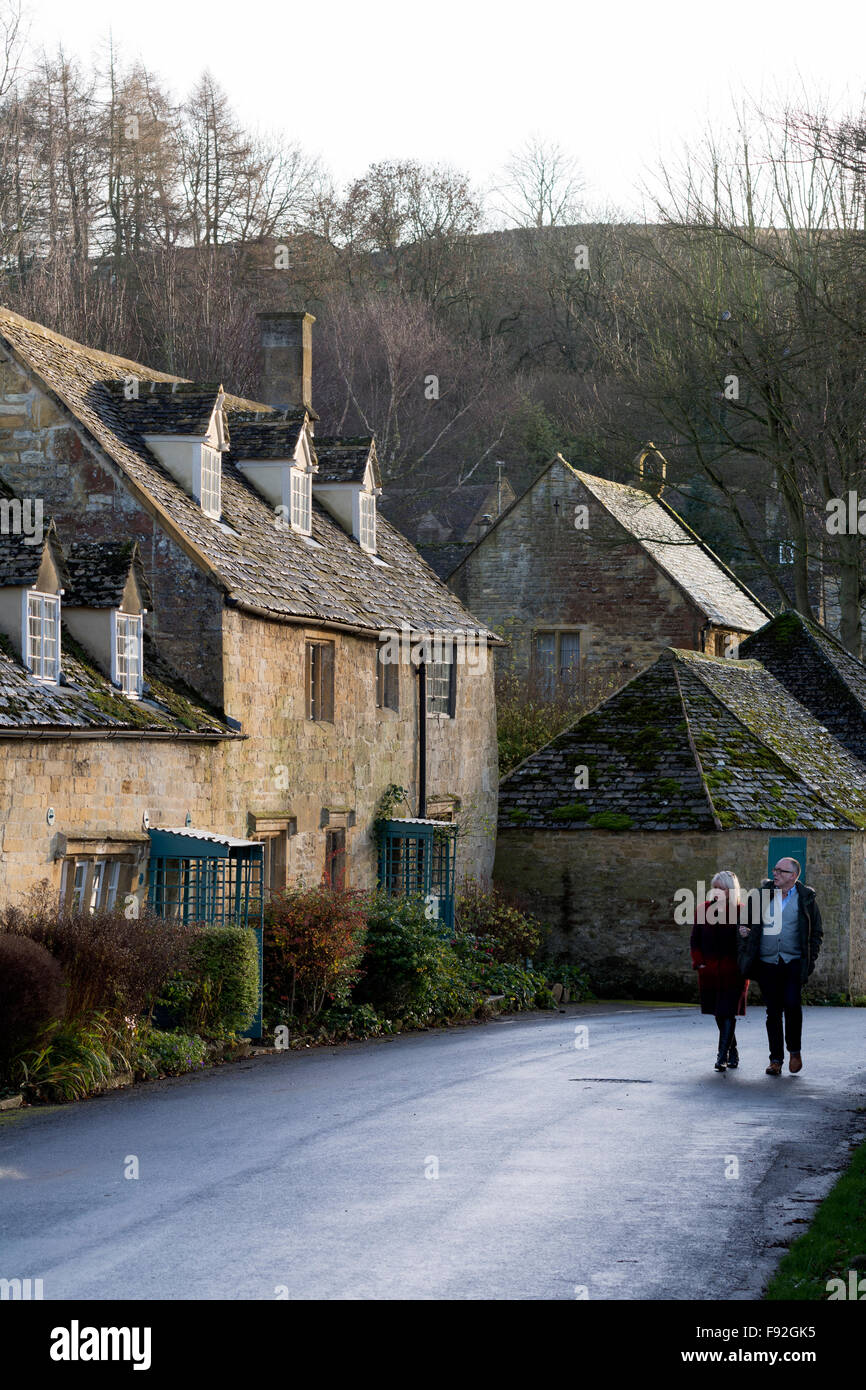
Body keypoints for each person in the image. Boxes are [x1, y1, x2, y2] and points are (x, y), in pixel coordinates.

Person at [737, 857, 823, 1076]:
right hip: (767, 962)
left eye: (781, 871)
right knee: (773, 1011)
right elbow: (742, 923)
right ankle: (776, 1059)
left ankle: (795, 1051)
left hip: (793, 961)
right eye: (775, 870)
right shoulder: (760, 896)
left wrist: (810, 960)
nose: (776, 873)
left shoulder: (807, 899)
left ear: (794, 876)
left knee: (793, 1005)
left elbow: (816, 933)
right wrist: (744, 934)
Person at [690, 871, 750, 1072]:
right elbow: (695, 940)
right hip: (709, 971)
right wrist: (699, 963)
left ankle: (721, 1056)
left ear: (731, 891)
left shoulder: (743, 912)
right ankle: (732, 1051)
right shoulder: (702, 910)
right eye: (714, 887)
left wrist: (747, 934)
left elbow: (751, 942)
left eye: (720, 888)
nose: (716, 891)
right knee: (718, 1013)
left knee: (727, 1011)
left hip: (734, 972)